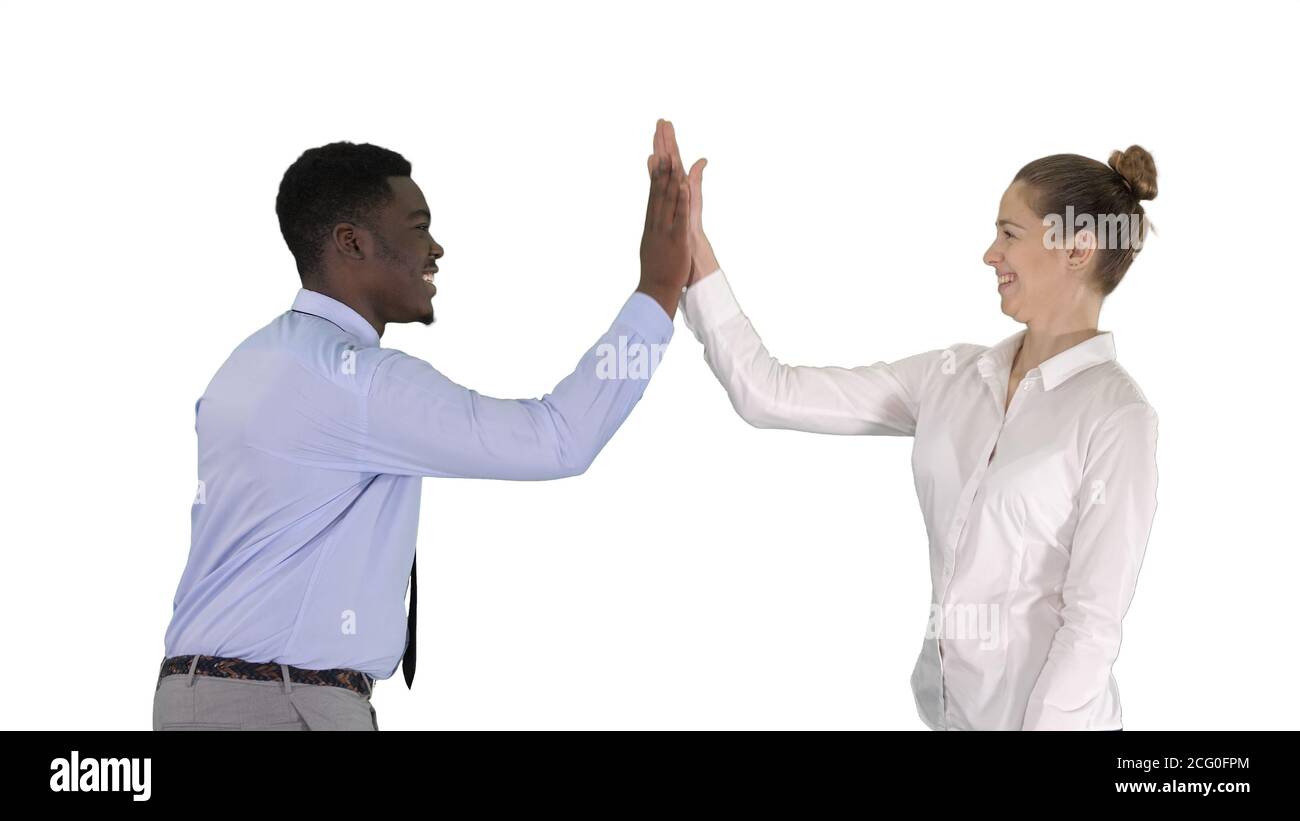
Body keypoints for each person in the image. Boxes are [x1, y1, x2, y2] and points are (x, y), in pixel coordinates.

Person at [153, 125, 692, 730]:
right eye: (417, 228)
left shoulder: (248, 362)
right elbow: (558, 438)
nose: (435, 249)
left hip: (201, 696)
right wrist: (659, 289)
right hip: (282, 703)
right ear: (351, 243)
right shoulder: (356, 381)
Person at [658, 120, 1159, 730]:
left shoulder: (1117, 417)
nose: (990, 253)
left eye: (1009, 233)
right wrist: (694, 254)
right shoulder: (953, 377)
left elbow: (1093, 625)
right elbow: (770, 393)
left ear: (1077, 248)